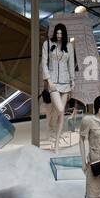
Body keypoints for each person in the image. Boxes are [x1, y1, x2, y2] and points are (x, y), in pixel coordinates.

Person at [41, 22, 77, 150]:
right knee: (61, 109)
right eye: (57, 33)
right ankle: (50, 125)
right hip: (53, 83)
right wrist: (48, 80)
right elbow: (44, 63)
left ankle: (56, 144)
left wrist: (73, 82)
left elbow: (71, 65)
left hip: (66, 83)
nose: (59, 35)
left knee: (61, 114)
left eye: (61, 33)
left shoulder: (69, 46)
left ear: (64, 34)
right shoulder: (47, 44)